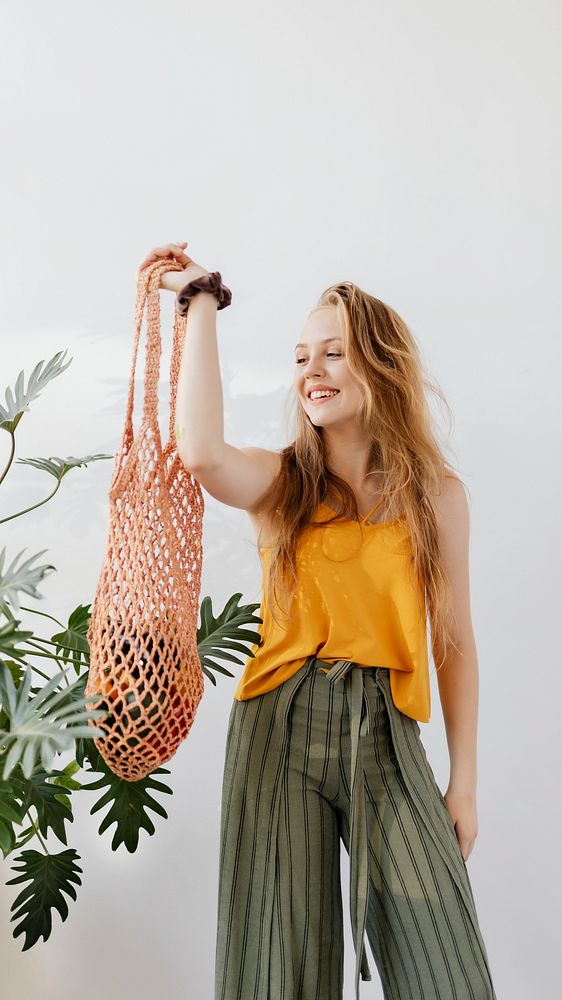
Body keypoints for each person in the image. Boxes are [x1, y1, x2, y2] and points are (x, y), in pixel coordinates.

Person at [139, 242, 498, 1000]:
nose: (313, 370)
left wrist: (462, 784)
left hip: (388, 736)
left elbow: (454, 641)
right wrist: (201, 301)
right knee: (280, 971)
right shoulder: (282, 480)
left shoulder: (438, 496)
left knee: (447, 973)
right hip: (281, 726)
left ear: (382, 366)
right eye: (303, 355)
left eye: (334, 353)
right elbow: (202, 454)